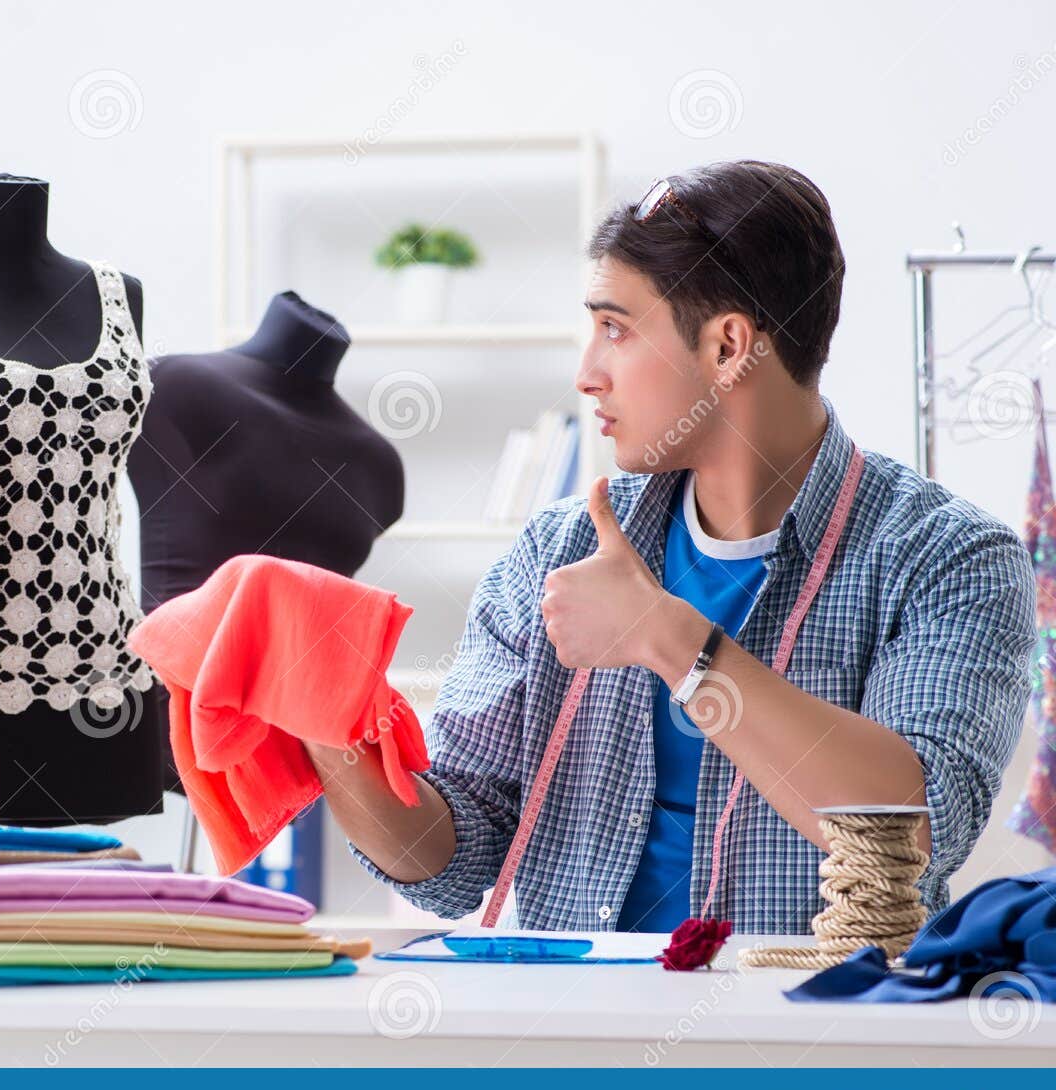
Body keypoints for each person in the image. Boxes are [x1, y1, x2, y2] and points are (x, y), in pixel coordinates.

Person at [310, 160, 1038, 935]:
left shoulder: (951, 558)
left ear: (729, 348)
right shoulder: (553, 552)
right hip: (576, 1036)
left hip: (812, 1040)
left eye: (616, 329)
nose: (587, 374)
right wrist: (326, 727)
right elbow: (454, 858)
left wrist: (667, 637)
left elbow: (915, 832)